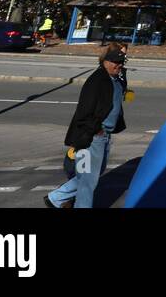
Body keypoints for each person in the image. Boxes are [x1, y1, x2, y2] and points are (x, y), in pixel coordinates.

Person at [45, 45, 128, 209]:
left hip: (103, 136)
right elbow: (84, 111)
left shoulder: (114, 78)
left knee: (89, 177)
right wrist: (91, 132)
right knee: (87, 181)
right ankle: (67, 201)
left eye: (121, 61)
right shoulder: (97, 81)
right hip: (92, 138)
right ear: (104, 61)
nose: (118, 65)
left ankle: (56, 198)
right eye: (115, 61)